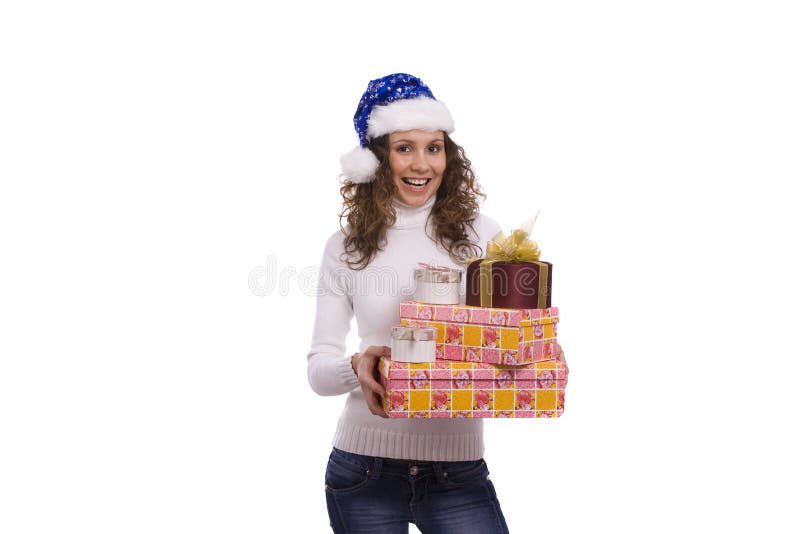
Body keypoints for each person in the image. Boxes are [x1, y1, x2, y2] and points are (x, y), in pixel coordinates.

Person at [307, 73, 566, 533]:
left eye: (434, 147)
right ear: (377, 158)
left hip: (458, 475)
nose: (422, 163)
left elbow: (501, 346)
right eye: (404, 147)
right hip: (362, 470)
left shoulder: (484, 236)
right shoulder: (344, 246)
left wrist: (535, 354)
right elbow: (318, 372)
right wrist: (359, 366)